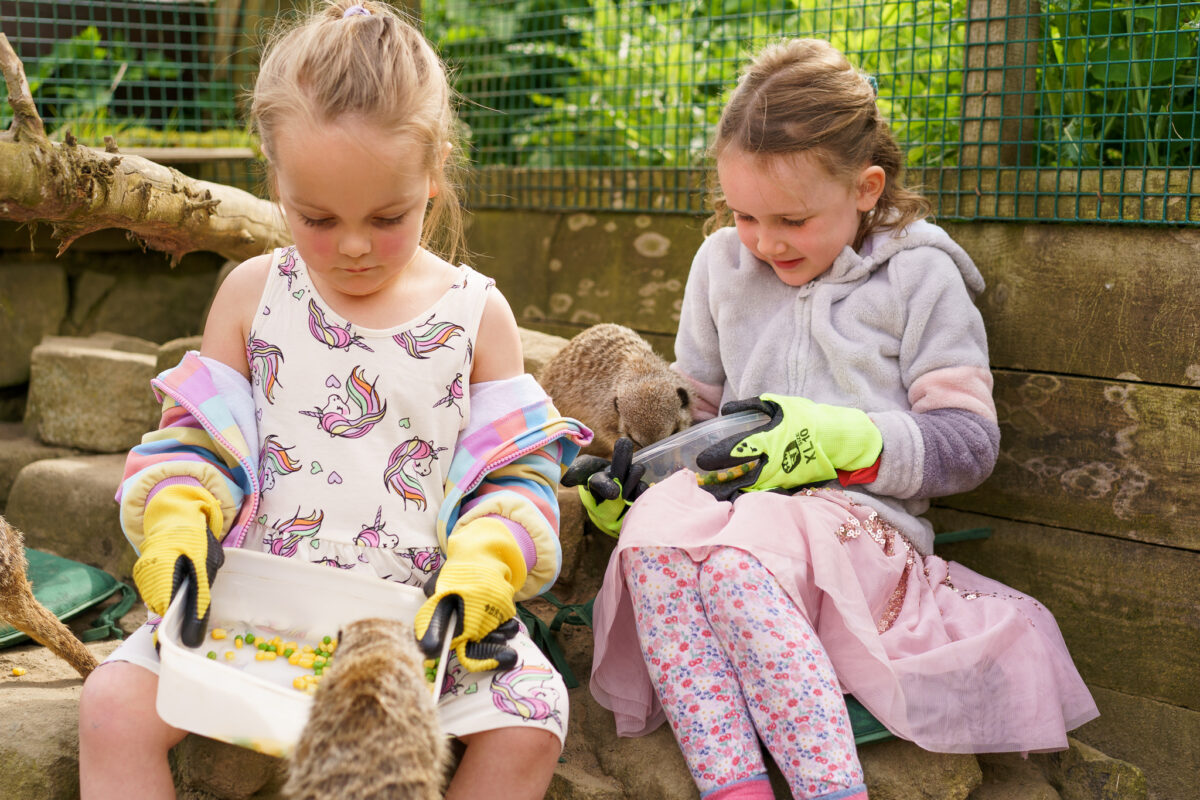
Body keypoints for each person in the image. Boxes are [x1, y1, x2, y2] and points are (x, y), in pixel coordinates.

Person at [77, 3, 590, 798]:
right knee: (112, 704)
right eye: (316, 218)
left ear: (434, 172)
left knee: (532, 718)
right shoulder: (252, 295)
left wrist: (487, 565)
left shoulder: (478, 314)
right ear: (272, 176)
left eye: (388, 217)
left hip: (423, 623)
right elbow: (200, 445)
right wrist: (177, 518)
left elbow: (510, 480)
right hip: (255, 603)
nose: (352, 246)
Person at [570, 38, 1098, 800]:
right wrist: (641, 476)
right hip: (742, 524)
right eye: (742, 214)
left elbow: (970, 442)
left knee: (735, 561)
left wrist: (843, 442)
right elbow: (705, 416)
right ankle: (736, 787)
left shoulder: (921, 278)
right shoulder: (723, 266)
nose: (763, 241)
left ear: (865, 188)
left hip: (860, 537)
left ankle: (829, 788)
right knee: (652, 546)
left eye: (790, 218)